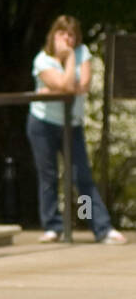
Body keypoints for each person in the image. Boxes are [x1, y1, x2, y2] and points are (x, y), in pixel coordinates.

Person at [27, 15, 125, 245]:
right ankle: (53, 226)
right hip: (43, 124)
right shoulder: (42, 59)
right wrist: (65, 84)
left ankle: (99, 227)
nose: (67, 39)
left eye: (71, 35)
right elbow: (67, 87)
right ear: (54, 35)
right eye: (62, 34)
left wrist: (69, 60)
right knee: (48, 176)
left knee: (81, 177)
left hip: (72, 124)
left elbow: (78, 87)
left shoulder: (82, 54)